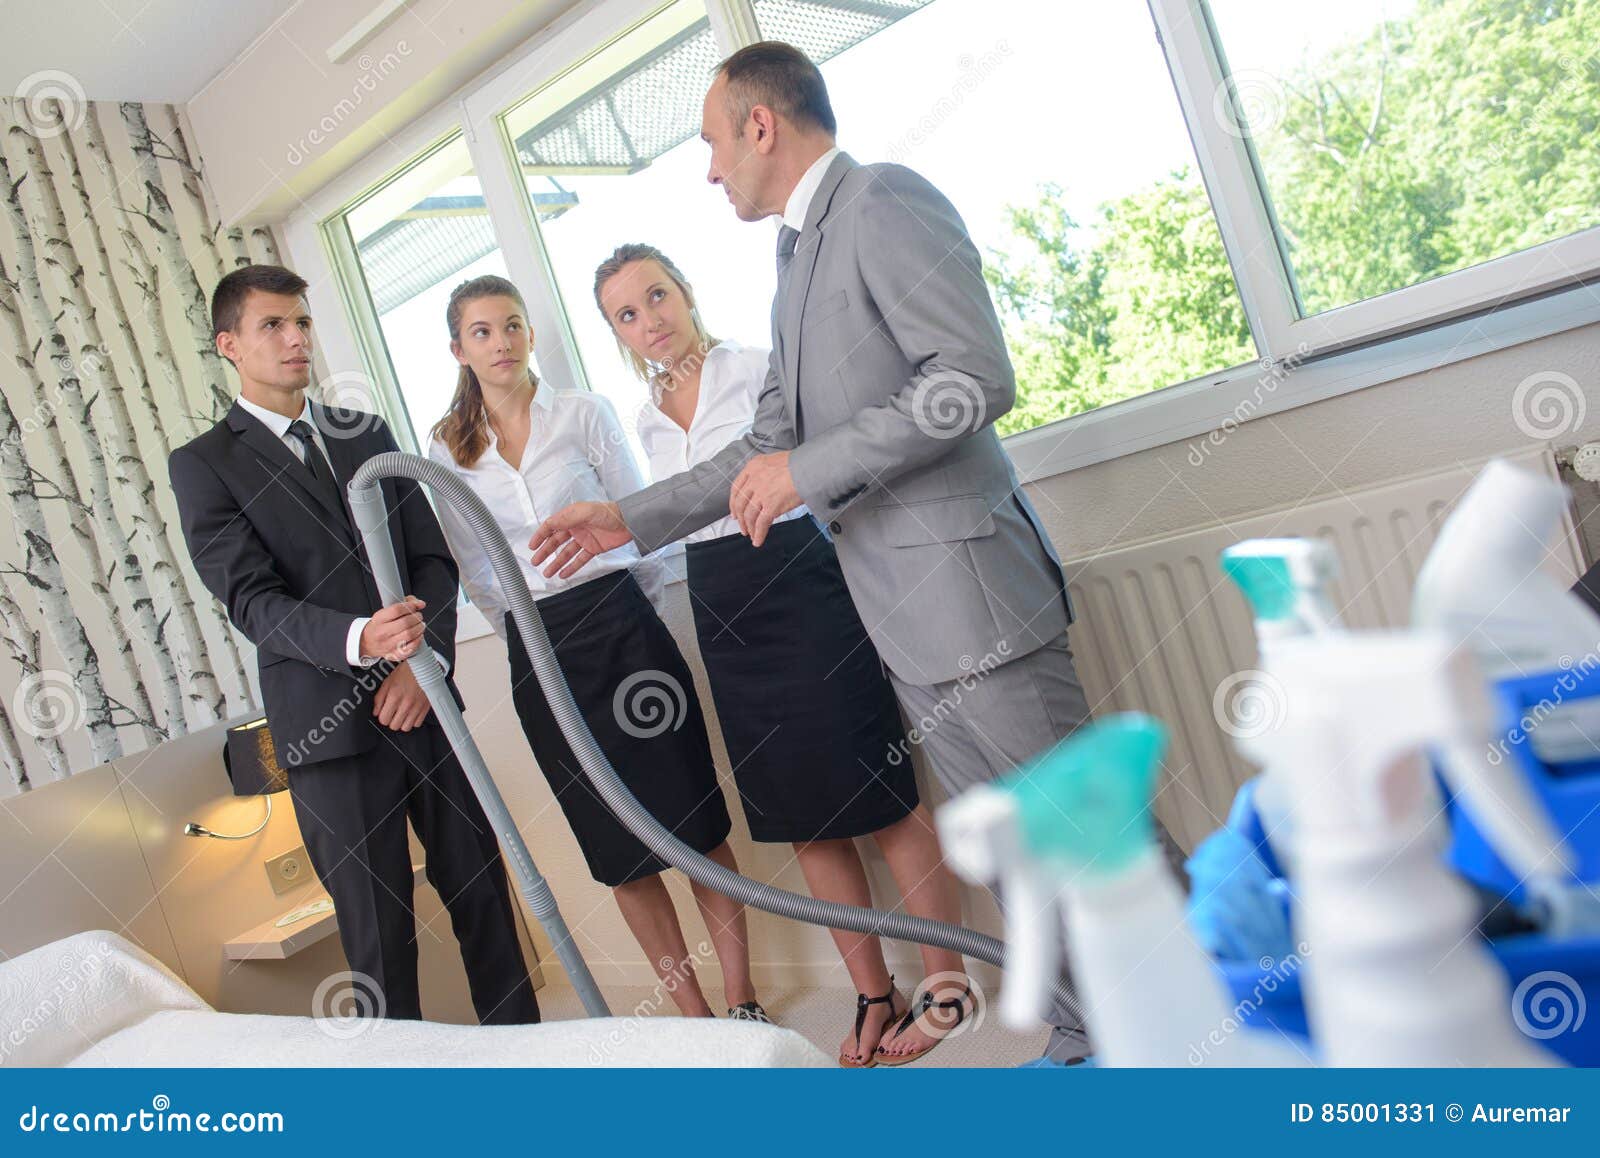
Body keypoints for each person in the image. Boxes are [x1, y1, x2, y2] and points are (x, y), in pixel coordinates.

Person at [530, 41, 1188, 1063]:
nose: (709, 170)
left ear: (760, 125)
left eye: (712, 143)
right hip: (904, 617)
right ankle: (1088, 1038)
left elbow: (971, 378)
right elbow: (761, 447)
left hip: (970, 594)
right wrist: (628, 517)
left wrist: (808, 470)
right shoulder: (794, 259)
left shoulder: (881, 200)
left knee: (1090, 830)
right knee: (1017, 851)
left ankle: (1228, 1030)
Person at [594, 242, 976, 1066]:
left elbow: (827, 467)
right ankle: (874, 993)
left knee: (885, 795)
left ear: (686, 291)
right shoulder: (645, 419)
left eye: (657, 295)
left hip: (802, 580)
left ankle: (946, 985)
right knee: (806, 817)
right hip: (721, 606)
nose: (649, 320)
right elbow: (673, 527)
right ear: (616, 334)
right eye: (626, 314)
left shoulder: (758, 368)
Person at [169, 264, 539, 1026]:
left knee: (487, 904)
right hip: (327, 737)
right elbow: (252, 600)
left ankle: (532, 1070)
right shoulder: (204, 464)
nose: (296, 338)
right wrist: (361, 642)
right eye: (274, 325)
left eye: (302, 322)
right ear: (229, 345)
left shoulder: (363, 433)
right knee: (380, 944)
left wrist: (419, 663)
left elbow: (431, 561)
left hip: (425, 706)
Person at [425, 274, 769, 1024]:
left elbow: (639, 523)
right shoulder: (444, 451)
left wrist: (628, 615)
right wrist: (529, 628)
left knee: (694, 822)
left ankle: (743, 1000)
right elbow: (475, 570)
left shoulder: (585, 413)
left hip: (621, 628)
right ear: (459, 350)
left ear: (530, 334)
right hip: (537, 651)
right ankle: (694, 1019)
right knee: (617, 851)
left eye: (512, 325)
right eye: (482, 331)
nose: (502, 342)